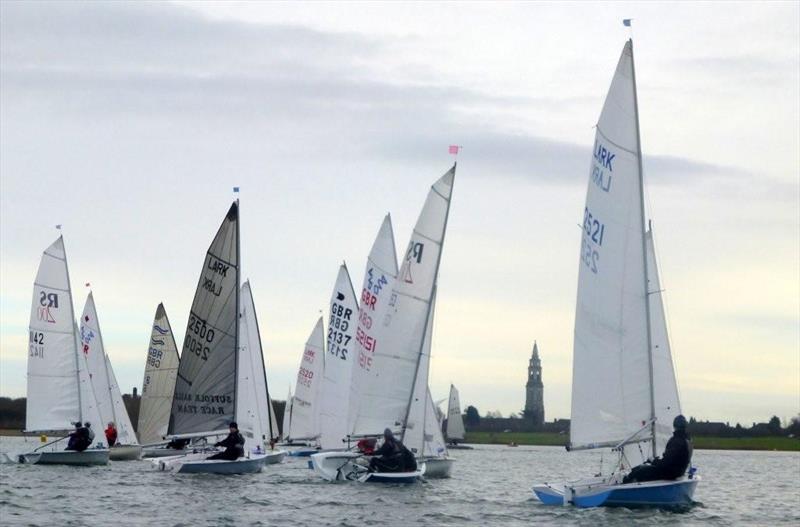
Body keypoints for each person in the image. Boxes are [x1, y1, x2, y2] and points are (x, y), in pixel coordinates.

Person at [623, 414, 693, 484]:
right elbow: (672, 460)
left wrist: (654, 461)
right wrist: (656, 461)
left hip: (670, 474)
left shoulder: (676, 441)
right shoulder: (688, 440)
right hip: (678, 472)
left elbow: (665, 463)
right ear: (685, 426)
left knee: (640, 470)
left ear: (674, 426)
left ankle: (625, 483)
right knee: (641, 468)